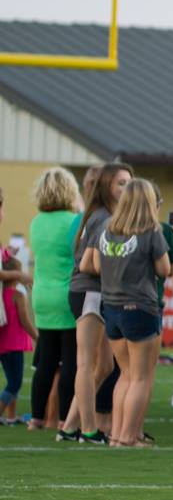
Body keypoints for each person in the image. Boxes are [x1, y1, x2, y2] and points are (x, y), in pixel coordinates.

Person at [82, 178, 170, 447]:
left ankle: (117, 436)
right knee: (141, 377)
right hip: (140, 308)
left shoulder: (106, 229)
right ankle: (129, 437)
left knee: (125, 374)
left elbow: (95, 265)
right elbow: (164, 270)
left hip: (111, 308)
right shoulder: (151, 231)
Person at [66, 162, 132, 443]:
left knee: (104, 366)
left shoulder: (109, 216)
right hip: (88, 292)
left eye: (129, 182)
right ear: (107, 186)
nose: (126, 188)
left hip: (99, 294)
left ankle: (69, 427)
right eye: (121, 183)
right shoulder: (103, 218)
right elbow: (86, 264)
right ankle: (89, 431)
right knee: (86, 363)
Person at [25, 169, 80, 431]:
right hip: (66, 294)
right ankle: (62, 418)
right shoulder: (74, 220)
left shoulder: (36, 222)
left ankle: (36, 418)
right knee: (70, 359)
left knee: (46, 359)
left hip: (42, 295)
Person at [0, 248, 37, 422]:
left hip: (3, 344)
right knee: (15, 383)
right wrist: (38, 337)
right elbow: (25, 322)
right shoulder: (18, 295)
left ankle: (12, 416)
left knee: (11, 380)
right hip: (14, 345)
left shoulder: (1, 296)